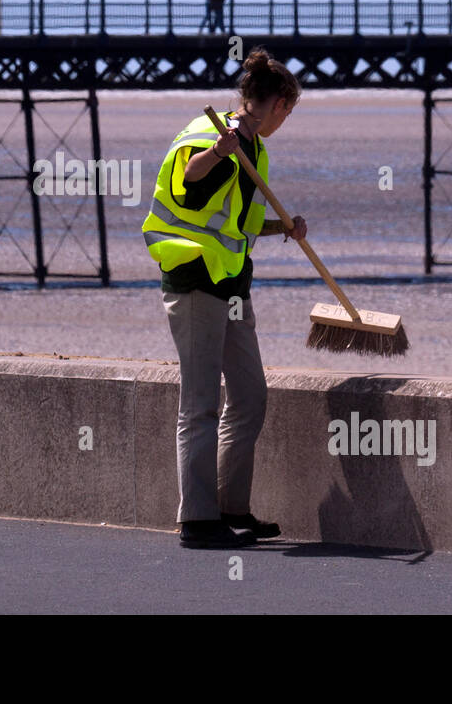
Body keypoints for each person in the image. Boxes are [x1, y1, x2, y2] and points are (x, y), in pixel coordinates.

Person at [141, 47, 305, 548]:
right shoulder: (209, 133)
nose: (287, 120)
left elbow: (238, 218)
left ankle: (232, 508)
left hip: (232, 284)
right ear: (276, 104)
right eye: (288, 110)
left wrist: (284, 227)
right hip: (194, 280)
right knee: (200, 403)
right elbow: (186, 180)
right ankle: (197, 519)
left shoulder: (256, 149)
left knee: (250, 397)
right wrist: (218, 151)